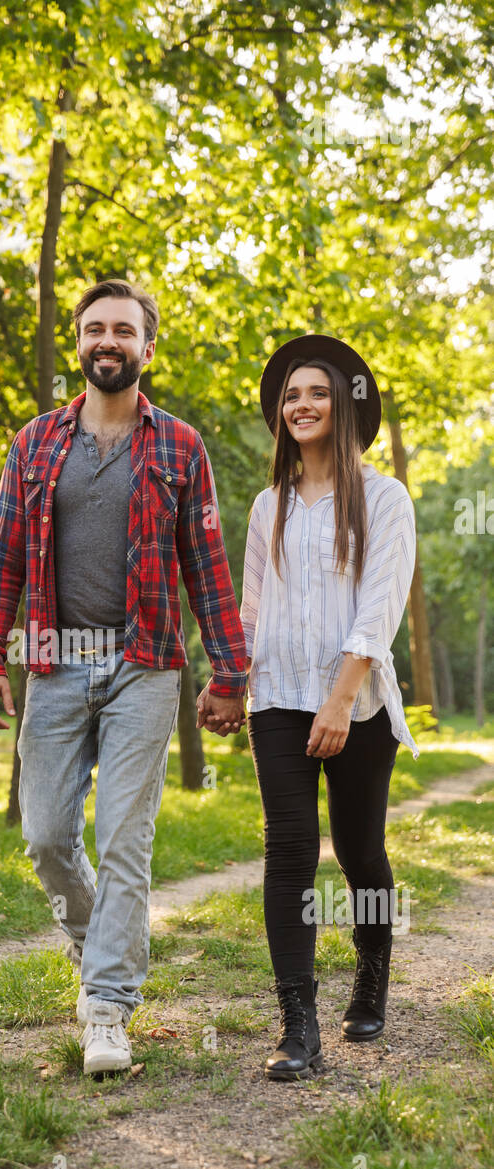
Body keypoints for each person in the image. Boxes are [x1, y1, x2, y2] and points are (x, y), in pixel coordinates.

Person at [0, 278, 246, 1075]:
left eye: (123, 330)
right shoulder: (36, 443)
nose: (108, 342)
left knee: (126, 837)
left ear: (147, 348)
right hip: (56, 663)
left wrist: (229, 673)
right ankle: (102, 949)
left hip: (144, 663)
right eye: (95, 330)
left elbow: (208, 568)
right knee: (47, 834)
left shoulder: (180, 447)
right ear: (80, 345)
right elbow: (3, 557)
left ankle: (108, 1007)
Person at [242, 333, 419, 1080]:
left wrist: (343, 700)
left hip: (359, 704)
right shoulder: (267, 505)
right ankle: (298, 1023)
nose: (302, 404)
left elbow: (380, 607)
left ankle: (371, 976)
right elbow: (251, 608)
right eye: (290, 396)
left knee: (359, 852)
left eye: (316, 393)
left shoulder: (383, 497)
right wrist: (224, 683)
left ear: (344, 407)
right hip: (277, 697)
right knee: (289, 850)